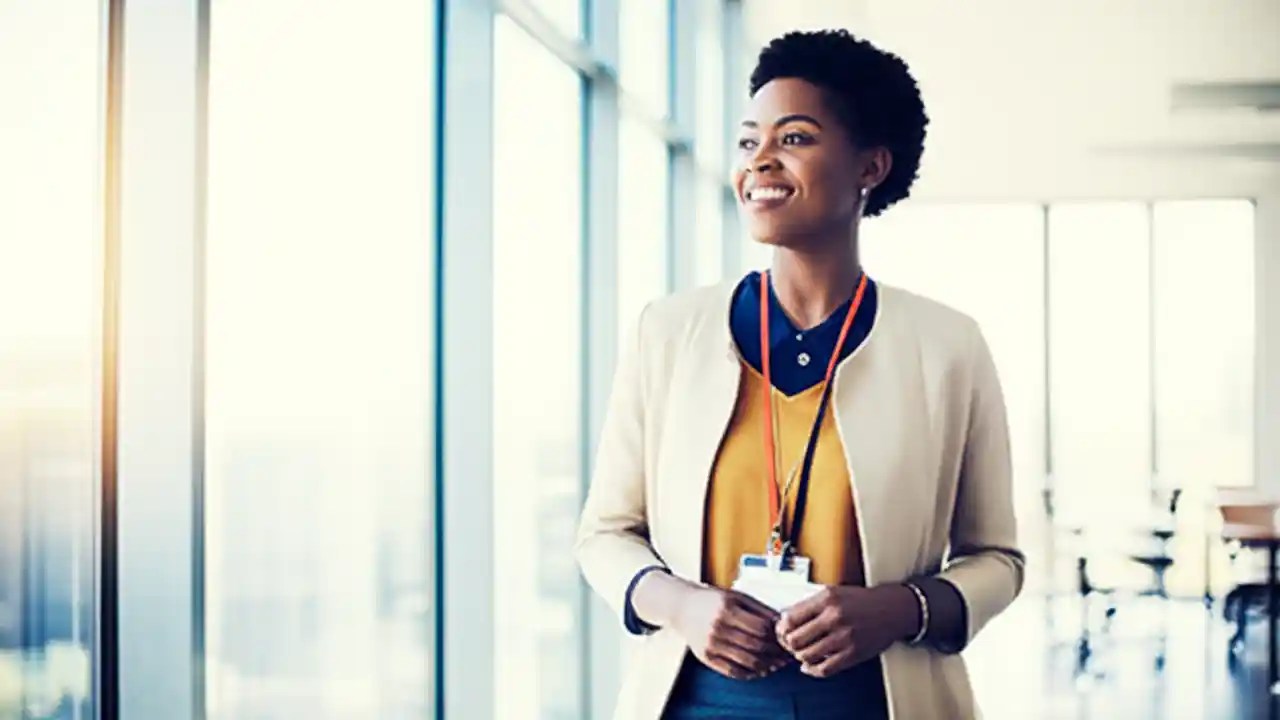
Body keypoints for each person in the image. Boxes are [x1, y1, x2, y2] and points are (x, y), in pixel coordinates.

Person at [576, 28, 1023, 720]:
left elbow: (997, 558)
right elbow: (605, 534)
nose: (761, 161)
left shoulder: (947, 346)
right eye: (749, 141)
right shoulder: (667, 332)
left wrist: (899, 609)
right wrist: (686, 606)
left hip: (878, 701)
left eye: (795, 139)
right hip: (695, 700)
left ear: (870, 167)